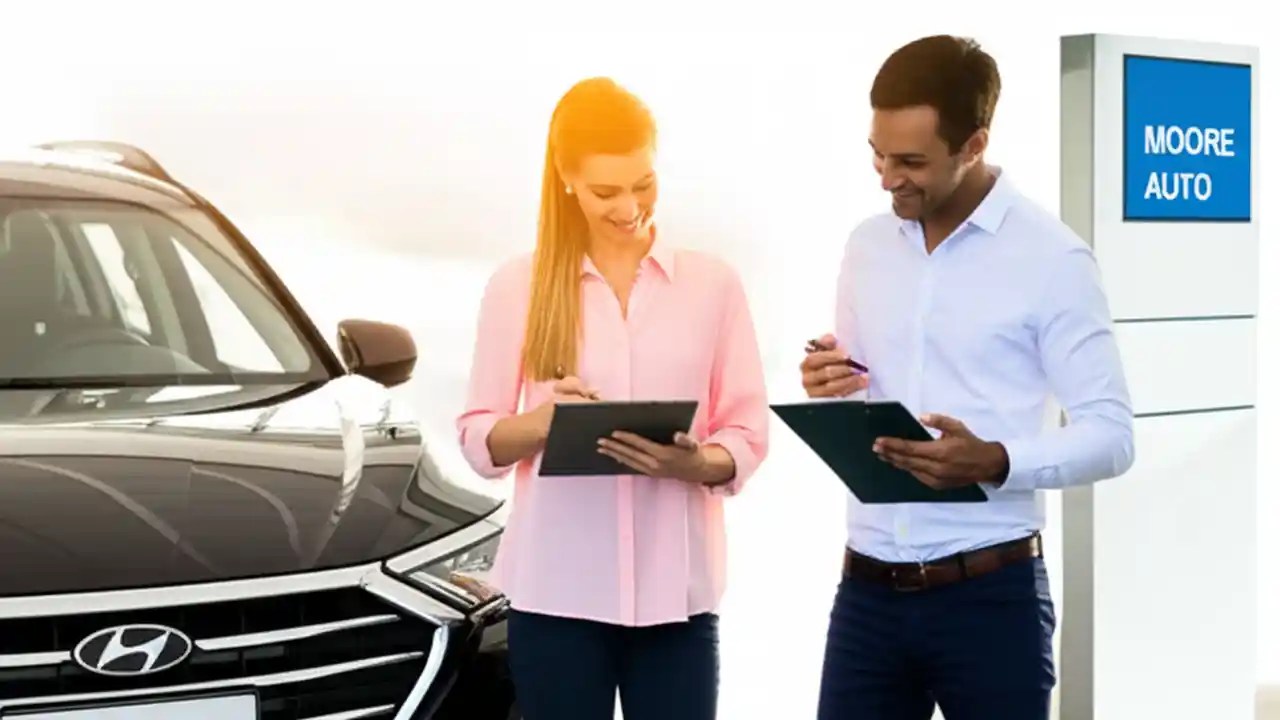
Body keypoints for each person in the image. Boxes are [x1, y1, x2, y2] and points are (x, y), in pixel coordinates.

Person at [800, 35, 1135, 720]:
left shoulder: (1054, 259)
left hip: (990, 601)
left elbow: (1112, 434)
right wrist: (831, 380)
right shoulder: (866, 247)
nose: (888, 177)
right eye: (879, 154)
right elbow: (865, 391)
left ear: (974, 144)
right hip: (865, 596)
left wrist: (996, 459)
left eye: (912, 161)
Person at [456, 76, 769, 720]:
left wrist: (698, 463)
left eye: (644, 183)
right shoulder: (518, 286)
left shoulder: (712, 285)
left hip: (677, 600)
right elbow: (477, 437)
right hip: (555, 598)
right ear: (567, 178)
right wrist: (543, 423)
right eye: (606, 190)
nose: (630, 206)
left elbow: (747, 430)